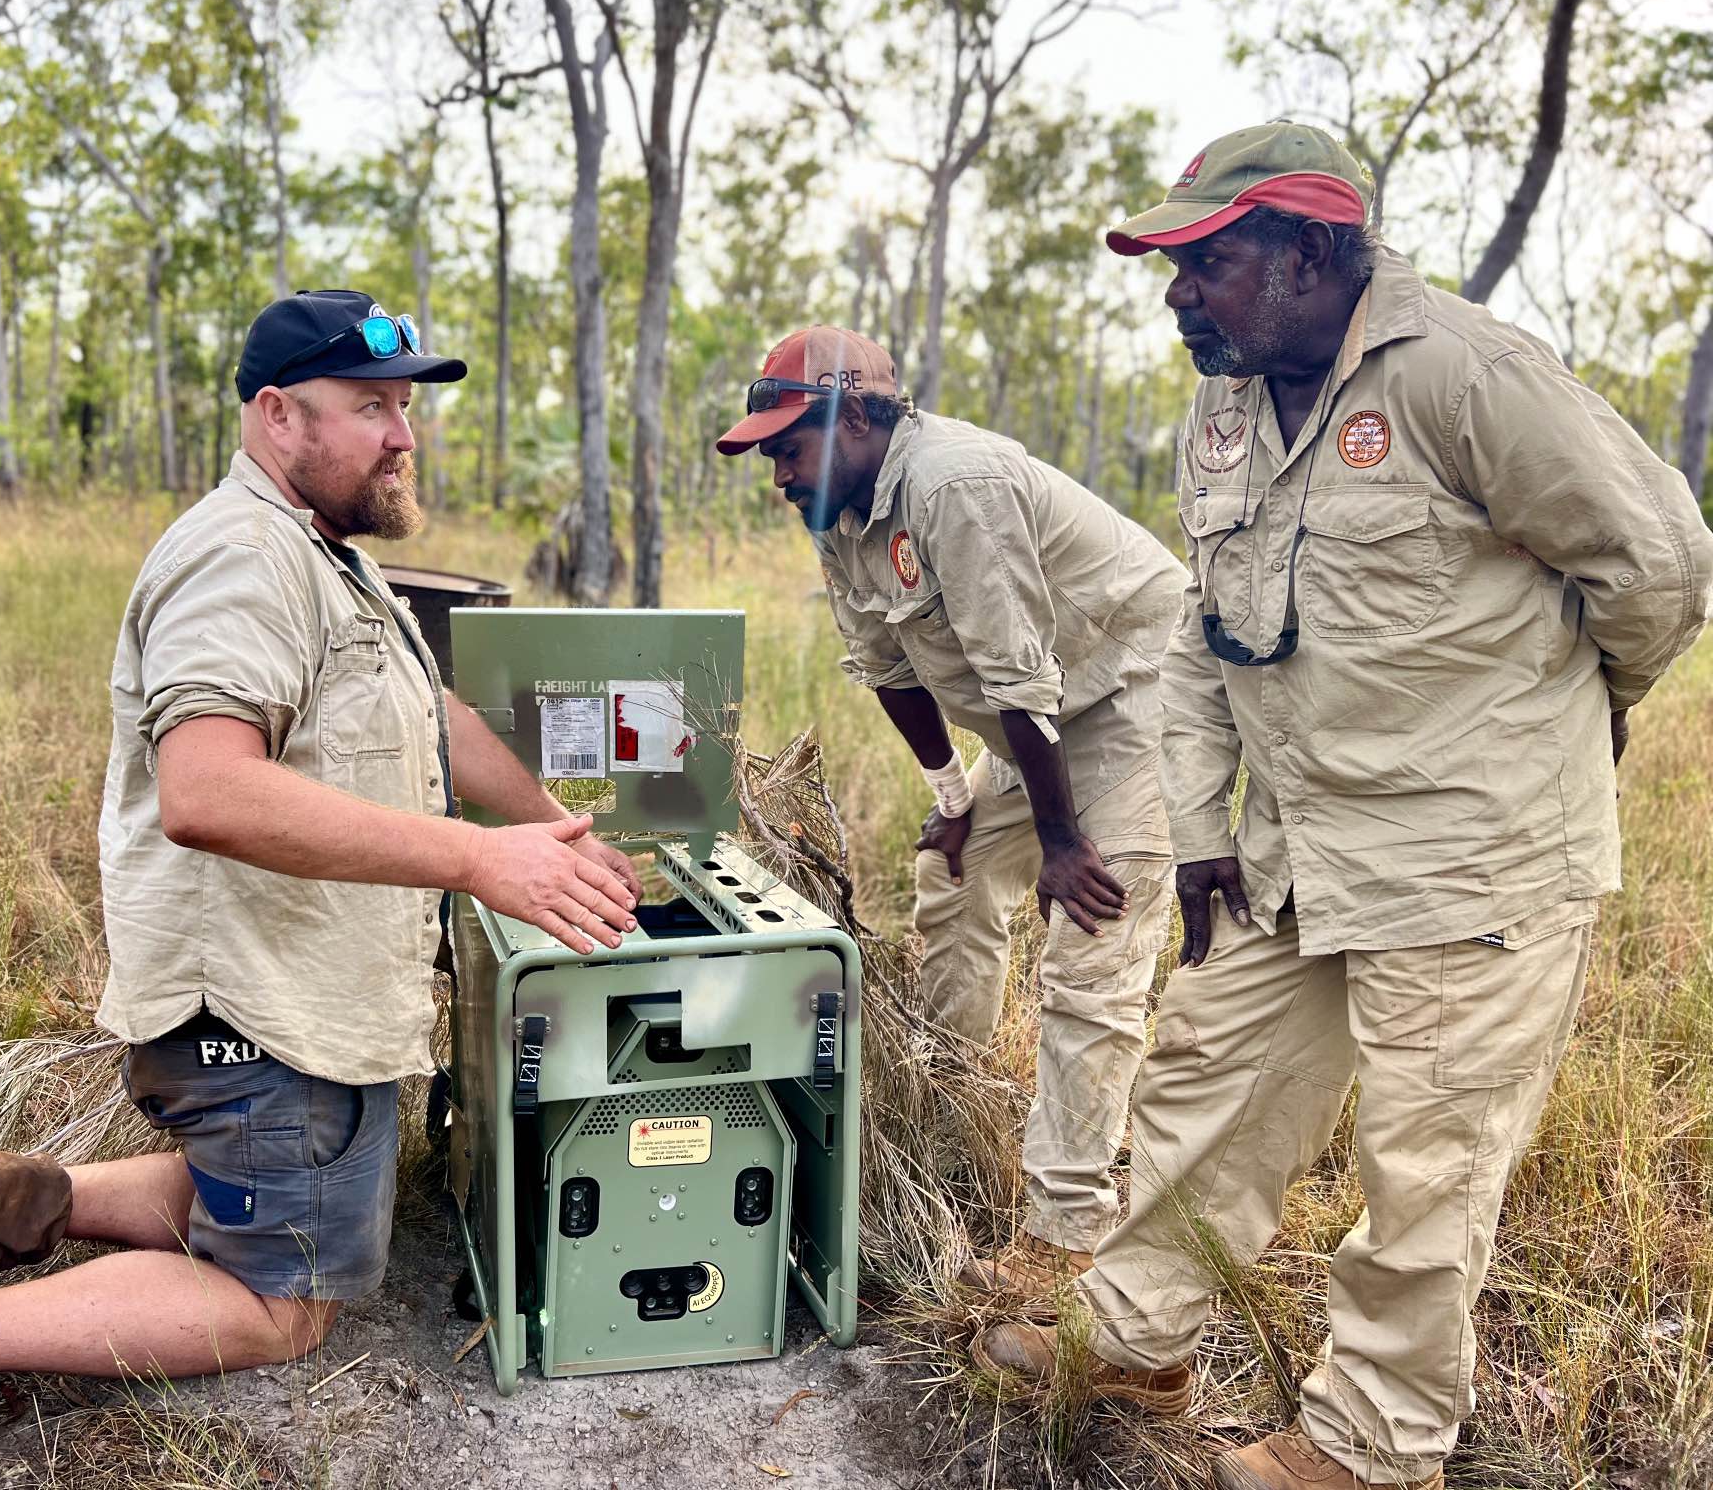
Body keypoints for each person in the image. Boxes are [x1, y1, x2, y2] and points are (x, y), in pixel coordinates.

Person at [0, 289, 643, 1473]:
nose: (403, 435)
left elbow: (433, 718)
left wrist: (550, 826)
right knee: (282, 1301)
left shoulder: (325, 555)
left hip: (296, 999)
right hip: (255, 1008)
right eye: (369, 407)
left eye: (406, 407)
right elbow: (209, 791)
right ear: (276, 414)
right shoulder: (242, 558)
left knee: (253, 1177)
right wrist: (474, 859)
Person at [968, 122, 1713, 1490]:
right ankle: (1137, 1333)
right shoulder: (1229, 401)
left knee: (1428, 1161)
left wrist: (1574, 720)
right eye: (1173, 265)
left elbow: (1660, 563)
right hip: (1291, 840)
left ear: (1315, 249)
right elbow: (1203, 636)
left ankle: (1372, 1450)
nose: (1179, 292)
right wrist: (1199, 831)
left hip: (1470, 855)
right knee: (1210, 1082)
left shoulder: (1468, 378)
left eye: (1210, 261)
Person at [717, 326, 1187, 1296]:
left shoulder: (953, 486)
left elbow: (1022, 677)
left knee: (1090, 950)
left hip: (1135, 698)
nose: (777, 474)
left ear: (853, 420)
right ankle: (950, 1110)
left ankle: (1064, 1237)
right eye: (767, 454)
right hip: (1039, 723)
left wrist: (1061, 842)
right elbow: (889, 669)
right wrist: (953, 800)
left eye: (787, 447)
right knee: (951, 870)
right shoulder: (839, 511)